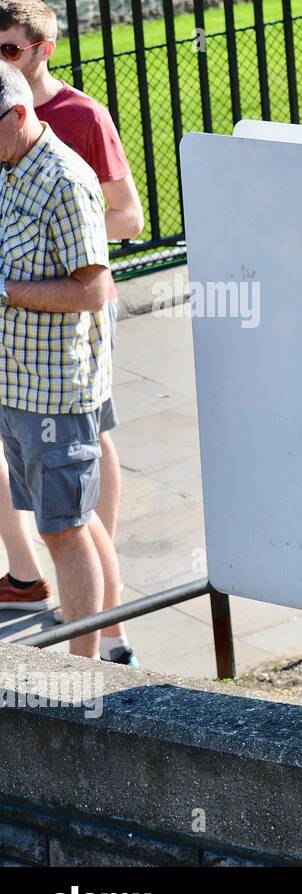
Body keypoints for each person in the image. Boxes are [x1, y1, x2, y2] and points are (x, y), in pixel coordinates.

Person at [0, 0, 142, 664]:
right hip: (20, 374)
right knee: (63, 518)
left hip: (62, 376)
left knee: (75, 516)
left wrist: (11, 285)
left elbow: (101, 270)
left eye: (10, 48)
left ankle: (95, 655)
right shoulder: (9, 162)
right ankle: (80, 625)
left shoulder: (69, 157)